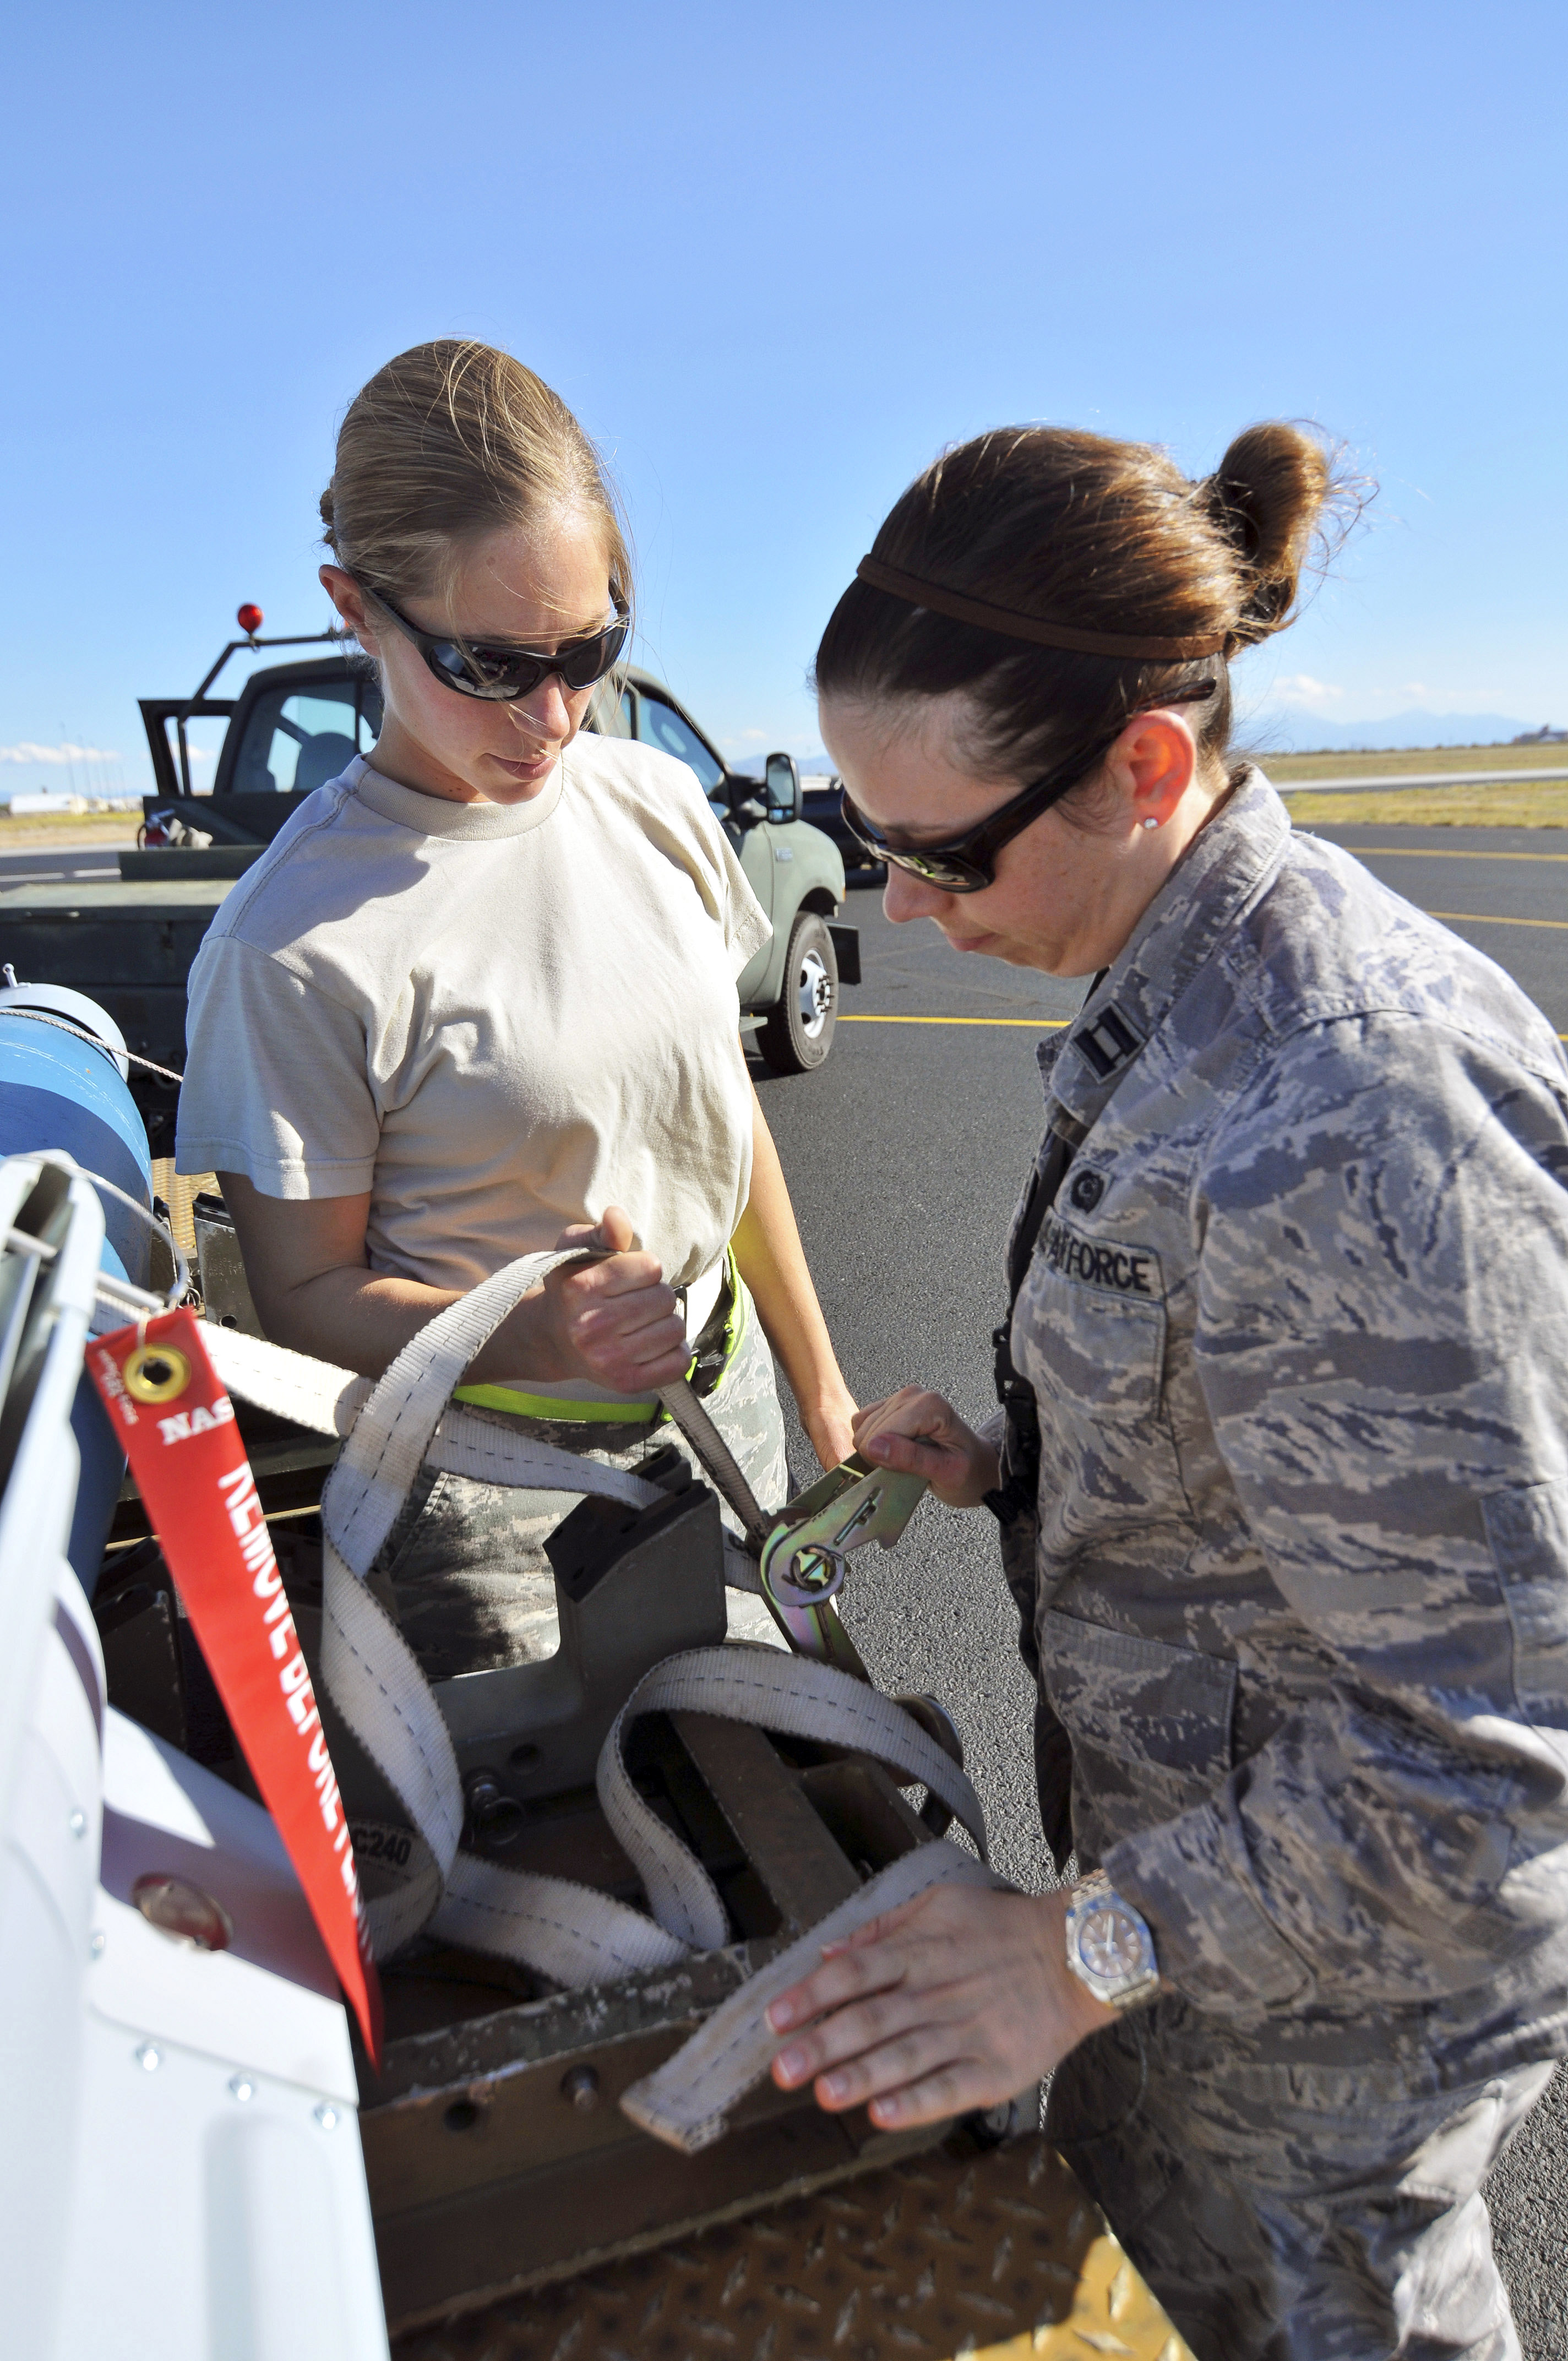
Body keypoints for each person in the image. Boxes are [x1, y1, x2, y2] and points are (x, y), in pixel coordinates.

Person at [761, 422, 1568, 2358]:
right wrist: (1019, 1460)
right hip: (1193, 1940)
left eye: (944, 849)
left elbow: (1497, 1765)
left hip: (1329, 2018)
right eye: (863, 836)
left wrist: (1079, 1942)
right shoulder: (1167, 988)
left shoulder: (1352, 1101)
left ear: (1142, 766)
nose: (899, 908)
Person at [176, 339, 856, 1676]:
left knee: (791, 1770)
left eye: (588, 647)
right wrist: (538, 1328)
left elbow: (721, 1129)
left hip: (726, 1413)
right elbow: (301, 1289)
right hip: (488, 1487)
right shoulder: (293, 939)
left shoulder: (655, 808)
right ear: (354, 607)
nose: (551, 714)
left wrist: (817, 1381)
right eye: (488, 664)